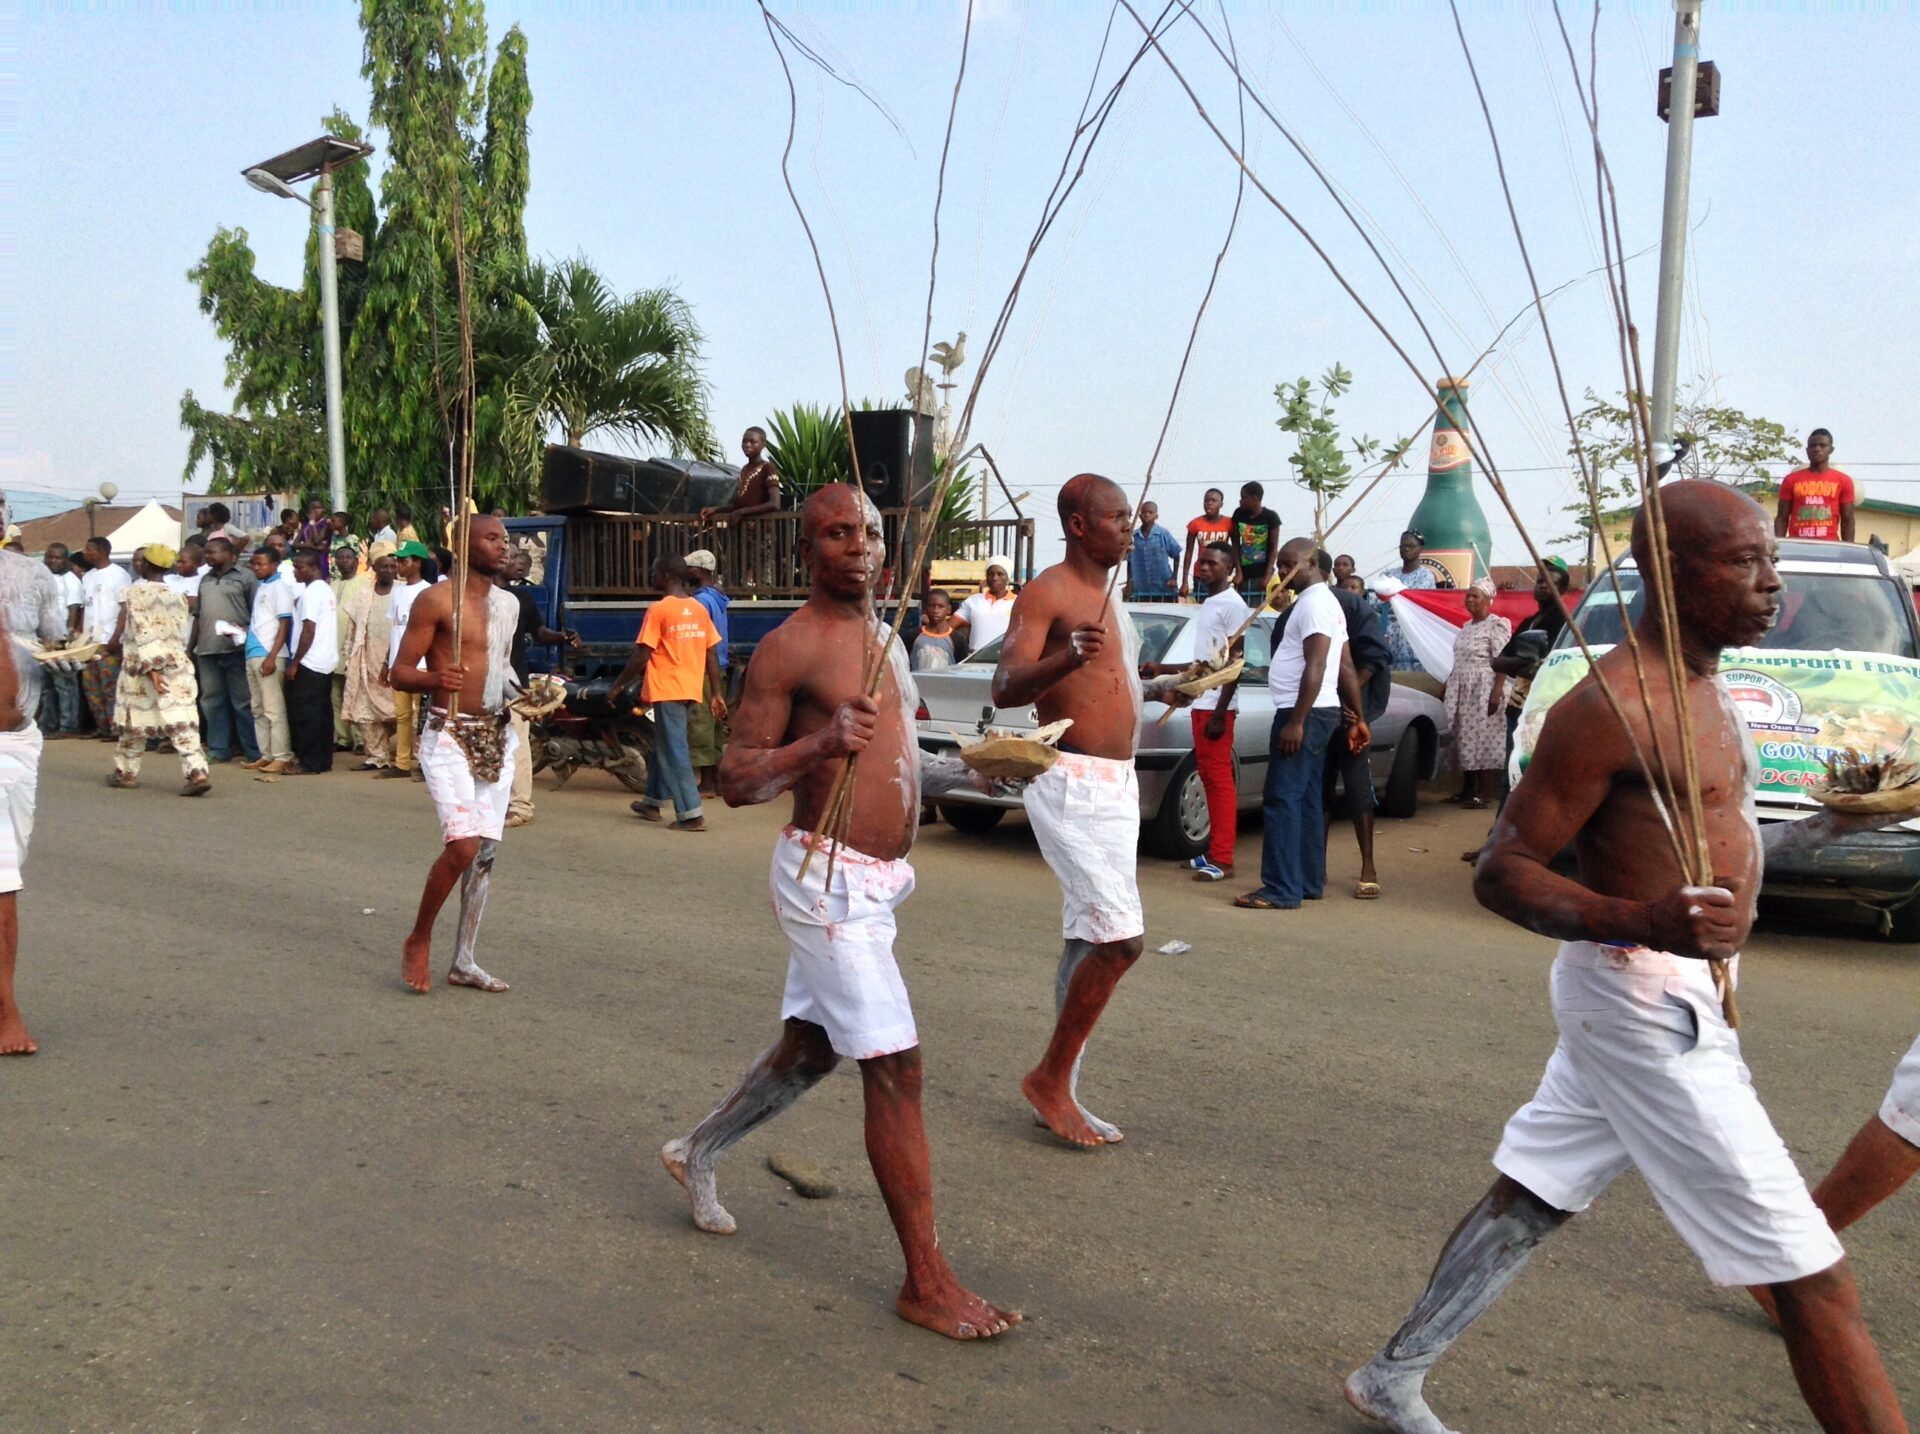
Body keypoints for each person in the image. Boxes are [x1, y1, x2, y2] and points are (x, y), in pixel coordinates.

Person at [1345, 481, 1909, 1434]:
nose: (1773, 585)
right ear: (1666, 569)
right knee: (1813, 1276)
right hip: (1643, 1002)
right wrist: (1647, 920)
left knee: (1535, 1192)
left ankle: (1391, 1375)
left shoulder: (1708, 682)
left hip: (1666, 985)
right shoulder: (1613, 706)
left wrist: (1841, 820)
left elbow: (1724, 843)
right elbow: (1501, 871)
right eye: (1744, 564)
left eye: (1770, 562)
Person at [660, 483, 1020, 1342]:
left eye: (866, 533)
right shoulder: (792, 647)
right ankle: (925, 1282)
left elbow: (898, 761)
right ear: (806, 552)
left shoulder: (885, 639)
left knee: (812, 1048)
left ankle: (696, 1150)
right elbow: (737, 780)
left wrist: (977, 774)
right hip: (822, 882)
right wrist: (821, 742)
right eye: (834, 534)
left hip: (877, 887)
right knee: (896, 1066)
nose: (856, 547)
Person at [990, 474, 1193, 1148]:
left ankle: (1062, 1094)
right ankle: (1049, 1079)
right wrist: (1060, 657)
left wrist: (1168, 685)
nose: (1129, 528)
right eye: (1116, 518)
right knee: (1120, 940)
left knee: (1087, 938)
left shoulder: (1114, 595)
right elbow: (1006, 685)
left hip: (1117, 784)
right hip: (1069, 779)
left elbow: (1112, 682)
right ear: (1079, 525)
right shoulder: (1047, 591)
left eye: (1130, 516)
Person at [391, 515, 522, 995]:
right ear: (464, 546)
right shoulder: (437, 599)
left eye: (505, 539)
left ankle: (464, 959)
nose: (504, 547)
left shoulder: (508, 604)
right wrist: (434, 680)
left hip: (497, 734)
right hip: (449, 734)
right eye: (492, 538)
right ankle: (420, 935)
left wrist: (530, 696)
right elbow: (400, 673)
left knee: (484, 853)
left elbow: (503, 669)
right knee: (463, 846)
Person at [1233, 538, 1367, 911]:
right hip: (1317, 712)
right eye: (1279, 565)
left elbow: (1320, 665)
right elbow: (1346, 667)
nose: (1281, 572)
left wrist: (1297, 721)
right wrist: (1359, 718)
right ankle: (1308, 881)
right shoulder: (1323, 604)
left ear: (1311, 564)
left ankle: (1281, 888)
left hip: (1303, 713)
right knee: (1308, 798)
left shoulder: (1315, 605)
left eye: (1288, 564)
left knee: (1282, 799)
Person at [0, 538, 67, 1054]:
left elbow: (56, 637)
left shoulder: (33, 575)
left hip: (15, 740)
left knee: (8, 869)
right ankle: (8, 1013)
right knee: (2, 883)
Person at [614, 557, 726, 832]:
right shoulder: (697, 609)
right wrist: (716, 694)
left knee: (674, 750)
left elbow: (642, 654)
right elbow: (711, 652)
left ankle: (691, 814)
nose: (650, 576)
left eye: (653, 572)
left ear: (665, 575)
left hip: (667, 688)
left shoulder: (659, 610)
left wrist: (617, 684)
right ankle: (651, 802)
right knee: (665, 744)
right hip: (690, 688)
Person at [104, 545, 210, 796]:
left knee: (133, 721)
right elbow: (180, 632)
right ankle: (197, 772)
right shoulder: (178, 596)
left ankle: (126, 772)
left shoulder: (134, 593)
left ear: (146, 565)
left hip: (143, 666)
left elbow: (143, 630)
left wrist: (153, 667)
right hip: (177, 664)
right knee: (182, 720)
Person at [1320, 551, 1393, 900]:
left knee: (1357, 788)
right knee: (1319, 790)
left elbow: (1373, 661)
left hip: (1350, 713)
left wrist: (1352, 704)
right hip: (1319, 711)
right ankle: (1314, 865)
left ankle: (1368, 866)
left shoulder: (1354, 608)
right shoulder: (1301, 607)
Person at [1181, 540, 1245, 881]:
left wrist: (1221, 711)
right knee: (1207, 777)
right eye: (1202, 563)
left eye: (1212, 564)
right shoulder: (1209, 602)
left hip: (1216, 705)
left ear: (1229, 570)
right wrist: (1161, 668)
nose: (1204, 568)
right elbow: (1206, 661)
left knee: (1219, 780)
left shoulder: (1232, 605)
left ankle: (1223, 857)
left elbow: (1236, 663)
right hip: (1201, 700)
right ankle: (1212, 850)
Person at [500, 547, 575, 826]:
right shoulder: (480, 596)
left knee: (517, 744)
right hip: (482, 684)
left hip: (513, 684)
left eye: (521, 561)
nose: (519, 564)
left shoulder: (522, 598)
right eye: (511, 559)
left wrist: (561, 637)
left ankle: (521, 806)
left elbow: (540, 633)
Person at [1490, 558, 1573, 804]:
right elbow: (1497, 661)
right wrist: (1523, 663)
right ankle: (1502, 832)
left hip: (1542, 707)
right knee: (1512, 772)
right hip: (1519, 706)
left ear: (1563, 590)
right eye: (1539, 581)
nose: (1542, 586)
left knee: (1528, 774)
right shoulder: (1530, 622)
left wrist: (1521, 664)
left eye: (1550, 583)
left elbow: (1547, 665)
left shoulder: (1563, 623)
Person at [1443, 578, 1512, 811]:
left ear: (1488, 601)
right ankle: (1467, 790)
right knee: (1462, 736)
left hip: (1483, 687)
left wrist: (1497, 691)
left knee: (1481, 737)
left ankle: (1484, 792)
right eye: (1468, 596)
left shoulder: (1496, 625)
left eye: (1476, 596)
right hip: (1461, 686)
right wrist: (1447, 684)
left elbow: (1502, 659)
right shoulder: (1466, 627)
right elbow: (1459, 660)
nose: (1470, 599)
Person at [190, 536, 259, 766]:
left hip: (236, 649)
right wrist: (191, 648)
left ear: (230, 555)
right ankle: (219, 749)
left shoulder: (246, 577)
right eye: (206, 552)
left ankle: (252, 750)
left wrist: (246, 637)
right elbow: (198, 616)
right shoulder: (205, 580)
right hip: (207, 650)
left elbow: (257, 613)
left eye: (213, 552)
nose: (208, 556)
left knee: (242, 702)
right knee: (212, 701)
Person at [378, 541, 434, 781]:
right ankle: (402, 762)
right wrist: (386, 662)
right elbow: (395, 629)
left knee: (425, 718)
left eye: (404, 561)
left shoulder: (429, 591)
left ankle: (424, 763)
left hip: (422, 665)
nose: (399, 565)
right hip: (400, 664)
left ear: (418, 563)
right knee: (402, 715)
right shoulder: (398, 592)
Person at [283, 549, 339, 775]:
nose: (296, 572)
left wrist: (295, 662)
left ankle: (308, 762)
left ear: (313, 567)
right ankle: (323, 760)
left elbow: (308, 630)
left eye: (300, 567)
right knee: (322, 712)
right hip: (325, 660)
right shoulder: (325, 589)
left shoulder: (312, 593)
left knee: (306, 714)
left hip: (310, 661)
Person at [343, 551, 400, 771]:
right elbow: (353, 628)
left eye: (392, 566)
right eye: (383, 566)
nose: (388, 570)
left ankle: (405, 755)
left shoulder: (403, 592)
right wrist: (350, 655)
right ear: (374, 568)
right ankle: (378, 756)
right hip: (367, 660)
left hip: (395, 660)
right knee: (366, 711)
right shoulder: (362, 595)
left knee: (401, 710)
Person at [241, 546, 295, 776]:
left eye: (260, 564)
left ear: (274, 564)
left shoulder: (280, 588)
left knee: (273, 708)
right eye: (254, 563)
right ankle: (267, 754)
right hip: (253, 652)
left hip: (267, 653)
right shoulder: (264, 586)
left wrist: (272, 656)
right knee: (258, 708)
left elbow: (285, 623)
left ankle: (282, 756)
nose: (256, 567)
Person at [683, 549, 731, 799]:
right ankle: (717, 780)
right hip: (719, 668)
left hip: (703, 670)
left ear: (699, 572)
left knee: (701, 724)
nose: (686, 573)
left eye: (689, 568)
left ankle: (708, 783)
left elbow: (702, 642)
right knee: (714, 725)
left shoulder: (700, 602)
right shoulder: (718, 597)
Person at [79, 535, 130, 741]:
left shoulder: (119, 575)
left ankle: (115, 728)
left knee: (111, 686)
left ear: (102, 551)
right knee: (91, 686)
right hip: (89, 641)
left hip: (109, 640)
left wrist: (116, 636)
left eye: (89, 549)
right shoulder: (88, 576)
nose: (85, 552)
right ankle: (101, 726)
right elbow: (85, 606)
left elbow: (125, 607)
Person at [1775, 429, 1855, 543]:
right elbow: (1782, 518)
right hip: (1797, 544)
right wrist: (1778, 547)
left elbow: (1848, 520)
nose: (1817, 449)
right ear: (1807, 450)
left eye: (1822, 445)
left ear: (1831, 450)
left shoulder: (1844, 481)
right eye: (1812, 446)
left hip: (1829, 545)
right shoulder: (1791, 480)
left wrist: (1849, 551)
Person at [38, 544, 83, 740]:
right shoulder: (43, 578)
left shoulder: (71, 581)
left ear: (66, 559)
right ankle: (47, 724)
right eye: (49, 557)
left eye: (57, 558)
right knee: (47, 686)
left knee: (65, 684)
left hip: (61, 637)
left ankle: (68, 725)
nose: (52, 561)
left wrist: (68, 636)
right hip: (44, 637)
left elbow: (73, 609)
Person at [1374, 529, 1438, 671]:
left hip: (1410, 630)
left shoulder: (1425, 575)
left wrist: (1391, 596)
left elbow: (1412, 601)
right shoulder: (1389, 574)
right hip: (1387, 630)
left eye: (1411, 545)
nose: (1406, 549)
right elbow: (1376, 602)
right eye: (1403, 546)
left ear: (1420, 548)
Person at [329, 546, 367, 752]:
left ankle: (362, 739)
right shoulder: (332, 585)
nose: (344, 561)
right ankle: (343, 738)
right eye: (340, 558)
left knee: (357, 696)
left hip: (354, 649)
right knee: (336, 696)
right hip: (333, 650)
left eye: (348, 557)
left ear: (356, 560)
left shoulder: (364, 584)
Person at [1228, 481, 1283, 603]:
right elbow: (1236, 545)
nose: (1240, 501)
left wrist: (1267, 576)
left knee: (1256, 608)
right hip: (1244, 573)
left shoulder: (1271, 517)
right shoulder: (1239, 514)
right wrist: (1238, 572)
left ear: (1255, 498)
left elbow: (1274, 549)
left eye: (1244, 497)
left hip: (1261, 574)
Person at [951, 558, 1016, 659]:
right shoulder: (973, 601)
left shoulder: (1017, 602)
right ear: (986, 576)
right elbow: (949, 627)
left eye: (1000, 574)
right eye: (991, 574)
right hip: (975, 660)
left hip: (1005, 660)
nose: (995, 578)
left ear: (1008, 578)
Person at [1179, 488, 1233, 597]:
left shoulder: (1229, 523)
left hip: (1220, 574)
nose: (1209, 503)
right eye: (1206, 500)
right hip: (1201, 574)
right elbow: (1188, 553)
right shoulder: (1195, 524)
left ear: (1221, 504)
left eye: (1214, 500)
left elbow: (1235, 549)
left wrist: (1233, 571)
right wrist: (1184, 581)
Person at [1124, 500, 1181, 601]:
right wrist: (1129, 582)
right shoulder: (1133, 537)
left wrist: (1174, 578)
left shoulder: (1163, 534)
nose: (1147, 515)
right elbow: (1129, 562)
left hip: (1164, 588)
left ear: (1156, 516)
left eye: (1150, 512)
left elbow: (1176, 554)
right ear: (1140, 516)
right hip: (1141, 589)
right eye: (1144, 512)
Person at [911, 589, 957, 672]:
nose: (935, 610)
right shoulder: (913, 636)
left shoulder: (957, 638)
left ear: (949, 609)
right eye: (932, 606)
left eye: (941, 606)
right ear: (925, 608)